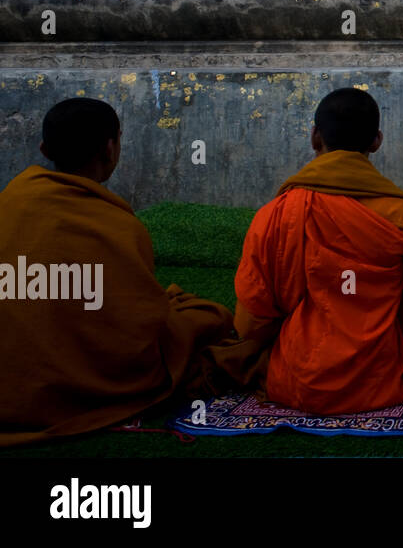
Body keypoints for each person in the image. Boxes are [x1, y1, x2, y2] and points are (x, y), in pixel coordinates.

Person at [0, 98, 235, 447]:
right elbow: (134, 330)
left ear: (44, 148)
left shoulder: (8, 205)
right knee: (208, 317)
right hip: (94, 383)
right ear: (111, 149)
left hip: (9, 386)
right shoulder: (120, 226)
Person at [234, 87, 403, 414]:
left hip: (295, 382)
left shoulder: (276, 214)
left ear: (315, 136)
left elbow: (248, 325)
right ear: (376, 141)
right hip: (382, 383)